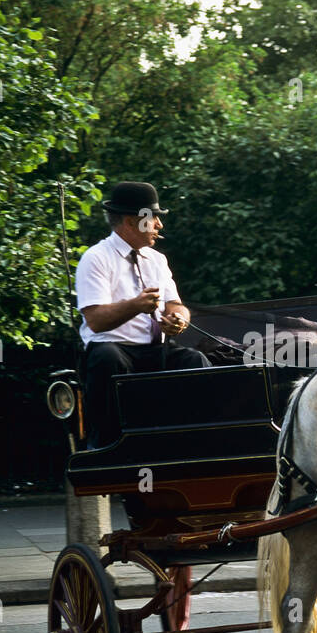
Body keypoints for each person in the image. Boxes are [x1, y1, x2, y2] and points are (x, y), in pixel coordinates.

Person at [75, 181, 210, 446]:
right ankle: (108, 446)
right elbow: (95, 321)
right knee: (107, 359)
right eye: (154, 217)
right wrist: (134, 305)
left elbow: (176, 305)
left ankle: (197, 440)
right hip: (114, 350)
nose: (159, 225)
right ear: (129, 222)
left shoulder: (157, 260)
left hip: (154, 350)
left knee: (196, 361)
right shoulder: (96, 258)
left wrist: (178, 320)